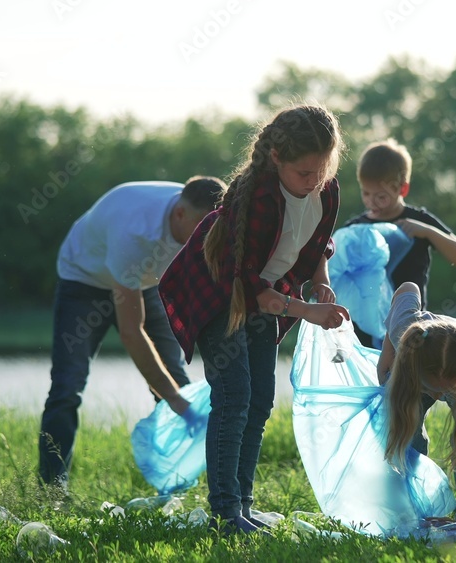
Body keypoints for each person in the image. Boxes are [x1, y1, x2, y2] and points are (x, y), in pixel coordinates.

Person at [159, 104, 351, 535]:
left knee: (261, 397)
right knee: (234, 396)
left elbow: (317, 240)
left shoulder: (327, 190)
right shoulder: (261, 200)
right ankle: (225, 513)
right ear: (277, 159)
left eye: (321, 171)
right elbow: (250, 290)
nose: (314, 182)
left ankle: (244, 504)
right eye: (305, 174)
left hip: (268, 290)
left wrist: (319, 278)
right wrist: (309, 312)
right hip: (221, 294)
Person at [38, 177, 227, 491]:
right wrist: (178, 403)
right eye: (200, 230)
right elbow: (131, 331)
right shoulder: (134, 231)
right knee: (66, 389)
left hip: (144, 282)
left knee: (176, 378)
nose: (205, 240)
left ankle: (184, 487)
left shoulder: (202, 221)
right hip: (84, 282)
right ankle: (51, 491)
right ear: (179, 214)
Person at [379, 281, 456, 521]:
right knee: (405, 431)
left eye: (444, 390)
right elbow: (408, 287)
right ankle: (412, 508)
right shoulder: (404, 330)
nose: (436, 396)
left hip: (455, 364)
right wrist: (387, 351)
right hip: (415, 365)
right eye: (432, 389)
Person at [342, 138, 456, 348]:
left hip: (410, 329)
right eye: (366, 193)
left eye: (381, 196)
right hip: (364, 330)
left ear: (402, 189)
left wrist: (428, 232)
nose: (371, 202)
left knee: (405, 379)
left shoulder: (418, 222)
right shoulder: (357, 228)